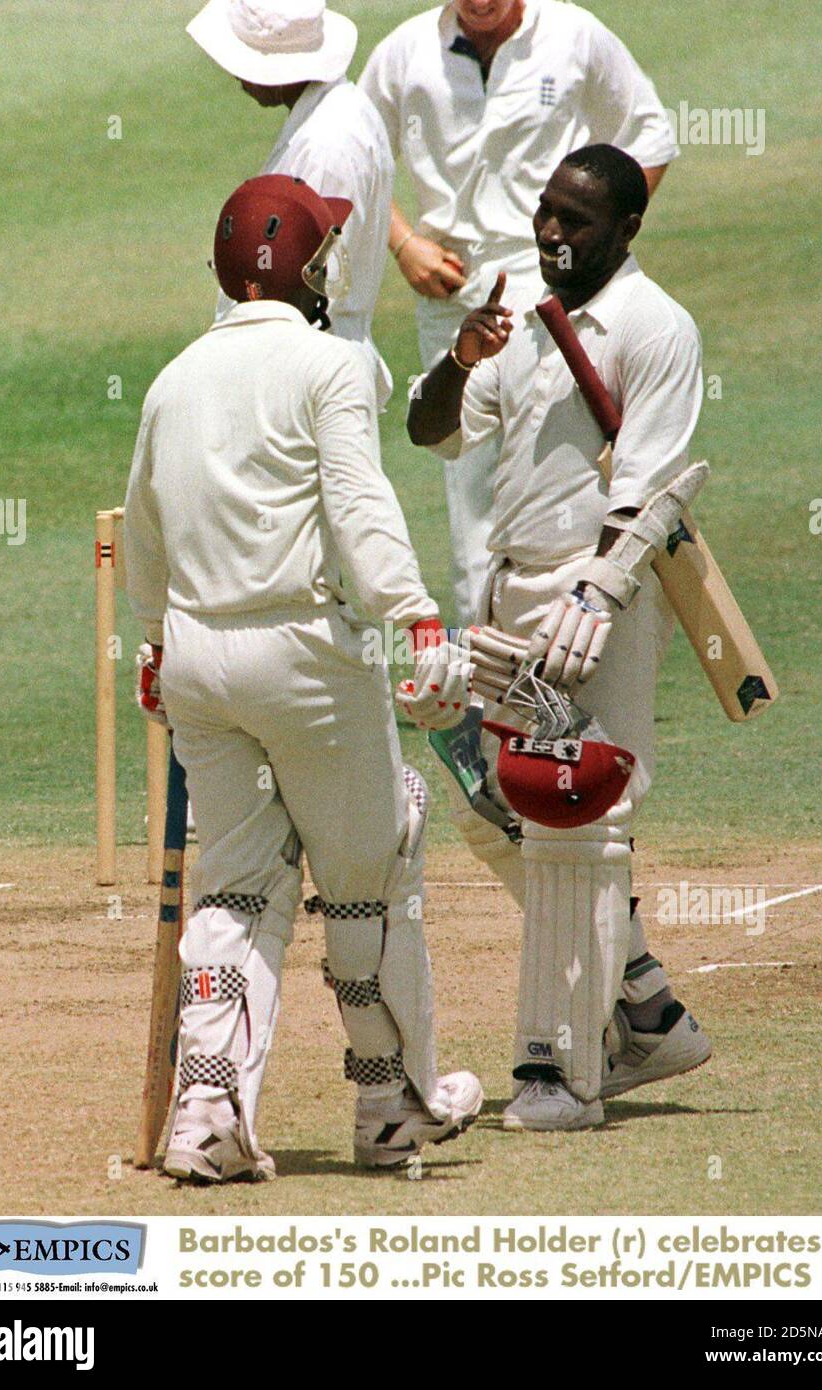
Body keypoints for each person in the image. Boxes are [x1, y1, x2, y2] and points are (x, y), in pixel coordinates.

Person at [124, 173, 481, 1182]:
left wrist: (156, 645)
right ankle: (389, 1105)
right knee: (371, 865)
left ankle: (205, 1114)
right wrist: (414, 615)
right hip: (307, 656)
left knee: (236, 884)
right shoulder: (333, 365)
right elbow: (357, 504)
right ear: (311, 268)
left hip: (198, 657)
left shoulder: (169, 380)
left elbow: (142, 536)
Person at [406, 145, 711, 1131]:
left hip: (594, 613)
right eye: (545, 213)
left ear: (626, 228)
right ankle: (649, 1012)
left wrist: (597, 594)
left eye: (575, 221)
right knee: (488, 800)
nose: (550, 233)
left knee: (576, 817)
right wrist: (457, 361)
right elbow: (431, 432)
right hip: (512, 603)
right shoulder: (529, 324)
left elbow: (654, 485)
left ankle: (558, 1074)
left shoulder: (654, 328)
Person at [361, 0, 679, 620]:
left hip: (562, 287)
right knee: (470, 491)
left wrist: (599, 241)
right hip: (455, 295)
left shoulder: (574, 34)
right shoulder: (404, 51)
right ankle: (481, 689)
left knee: (571, 471)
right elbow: (362, 159)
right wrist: (403, 245)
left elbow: (650, 136)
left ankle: (581, 641)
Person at [187, 0, 395, 404]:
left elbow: (305, 290)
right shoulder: (333, 114)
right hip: (305, 371)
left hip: (303, 384)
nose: (234, 75)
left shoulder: (327, 145)